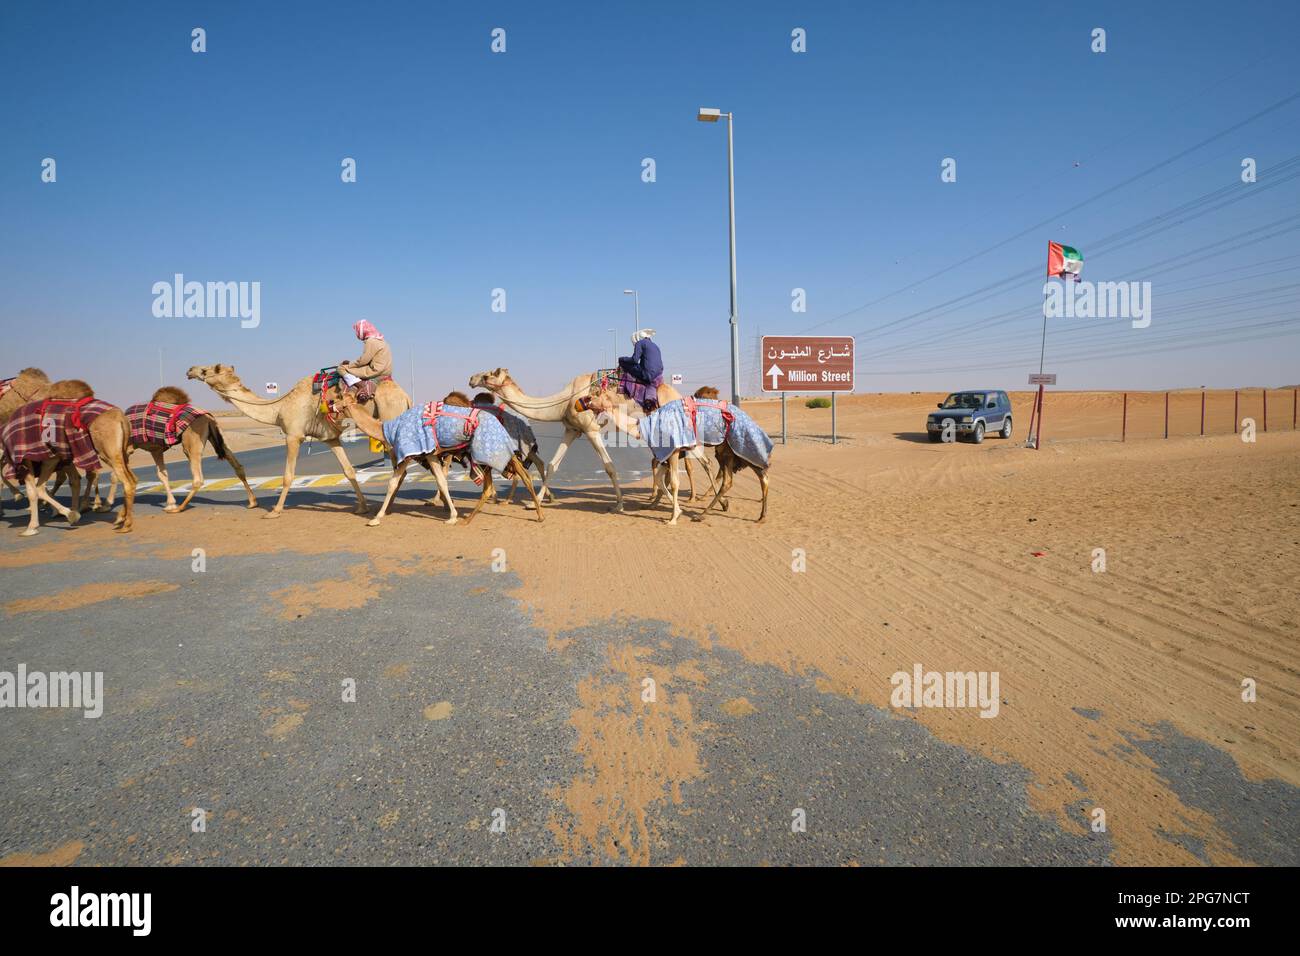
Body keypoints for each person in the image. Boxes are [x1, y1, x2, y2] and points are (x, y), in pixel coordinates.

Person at [617, 328, 664, 413]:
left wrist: (622, 359)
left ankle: (624, 388)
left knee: (624, 363)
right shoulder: (655, 345)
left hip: (648, 374)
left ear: (636, 339)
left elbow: (634, 360)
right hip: (658, 374)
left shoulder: (640, 343)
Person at [339, 320, 392, 393]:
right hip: (386, 371)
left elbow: (363, 360)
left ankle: (359, 385)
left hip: (375, 371)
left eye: (357, 330)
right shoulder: (382, 341)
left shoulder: (371, 341)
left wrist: (350, 364)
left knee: (341, 368)